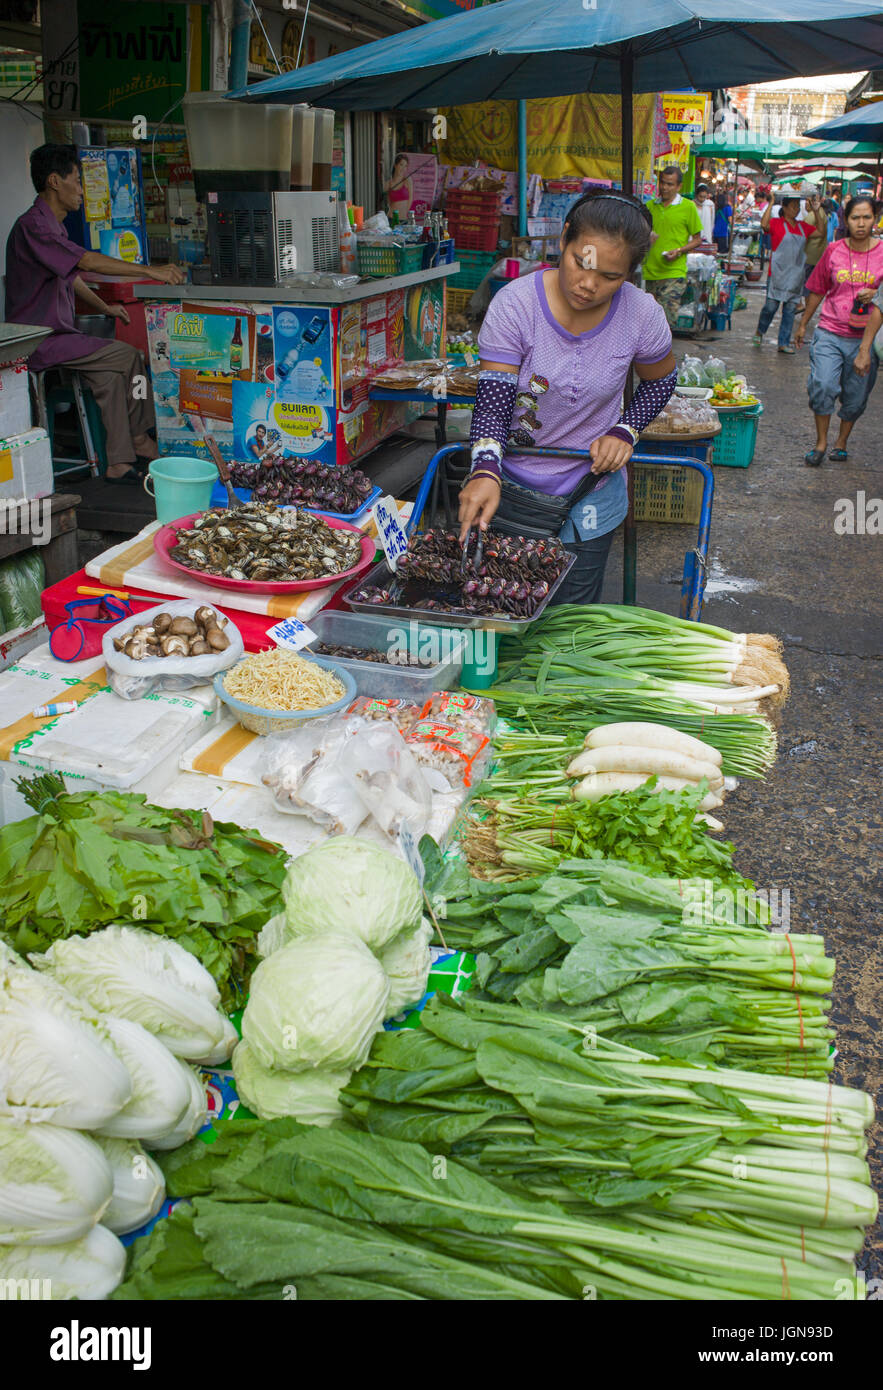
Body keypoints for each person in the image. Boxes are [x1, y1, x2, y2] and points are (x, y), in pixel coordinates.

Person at [457, 191, 677, 606]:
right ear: (563, 241)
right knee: (499, 607)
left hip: (590, 491)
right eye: (581, 262)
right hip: (510, 487)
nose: (589, 284)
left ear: (629, 274)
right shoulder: (516, 305)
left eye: (611, 277)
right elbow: (493, 400)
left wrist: (625, 431)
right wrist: (485, 469)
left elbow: (661, 381)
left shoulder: (642, 315)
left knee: (570, 621)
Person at [5, 144, 185, 483]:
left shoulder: (50, 226)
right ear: (55, 181)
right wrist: (153, 271)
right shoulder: (34, 227)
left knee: (109, 377)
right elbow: (85, 262)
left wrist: (106, 307)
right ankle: (140, 437)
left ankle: (118, 461)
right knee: (130, 357)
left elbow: (70, 276)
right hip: (38, 341)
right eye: (76, 180)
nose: (82, 190)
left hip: (58, 336)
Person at [794, 195, 883, 465]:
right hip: (830, 331)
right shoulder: (833, 250)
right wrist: (803, 324)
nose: (861, 223)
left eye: (867, 217)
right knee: (822, 385)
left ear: (875, 219)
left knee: (855, 398)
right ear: (846, 220)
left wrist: (876, 294)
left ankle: (841, 442)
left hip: (866, 339)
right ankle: (820, 443)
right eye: (855, 217)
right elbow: (818, 288)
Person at [752, 193, 825, 354]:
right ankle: (760, 331)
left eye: (797, 206)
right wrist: (771, 202)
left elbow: (821, 233)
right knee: (771, 307)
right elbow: (764, 225)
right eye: (792, 206)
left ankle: (783, 343)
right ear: (784, 208)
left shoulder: (802, 226)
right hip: (777, 273)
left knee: (790, 310)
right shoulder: (776, 223)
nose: (796, 209)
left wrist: (816, 211)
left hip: (796, 275)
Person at [643, 165, 704, 328]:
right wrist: (646, 237)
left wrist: (679, 251)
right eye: (662, 183)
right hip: (650, 272)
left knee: (666, 321)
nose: (664, 187)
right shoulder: (649, 207)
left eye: (670, 184)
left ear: (678, 186)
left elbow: (697, 239)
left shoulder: (688, 207)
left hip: (674, 272)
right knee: (650, 323)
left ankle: (665, 352)